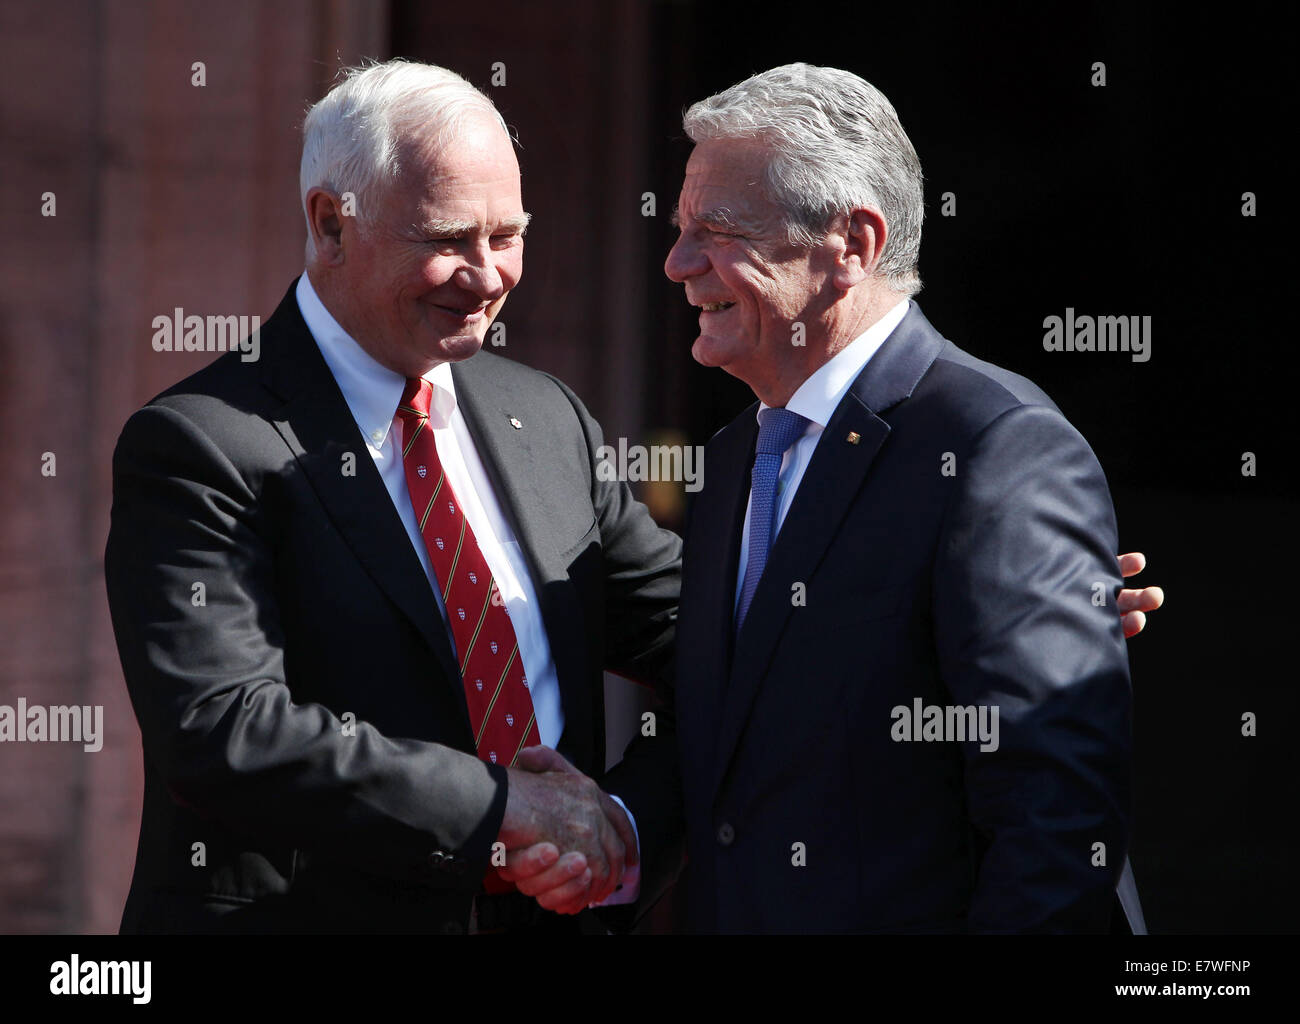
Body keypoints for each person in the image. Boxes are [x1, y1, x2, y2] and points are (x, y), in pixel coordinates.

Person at [511, 63, 1159, 933]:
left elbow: (1053, 817)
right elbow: (735, 725)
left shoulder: (998, 446)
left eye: (718, 230)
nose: (677, 263)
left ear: (852, 244)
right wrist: (619, 827)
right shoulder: (741, 455)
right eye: (679, 230)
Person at [103, 59, 683, 934]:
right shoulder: (202, 443)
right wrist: (504, 812)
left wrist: (622, 822)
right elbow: (224, 729)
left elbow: (702, 637)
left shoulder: (547, 416)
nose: (487, 277)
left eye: (509, 235)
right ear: (331, 225)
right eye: (448, 239)